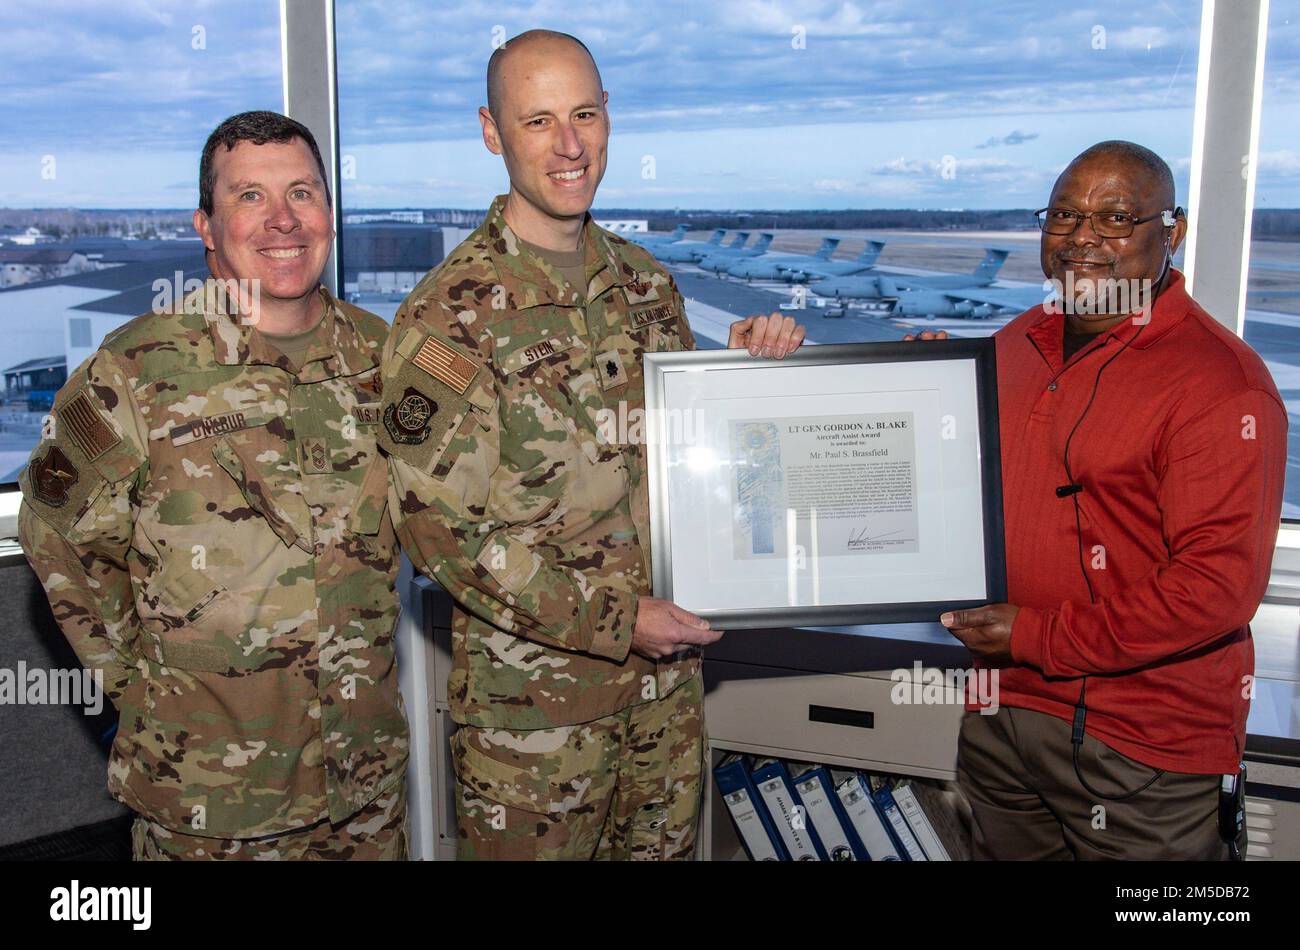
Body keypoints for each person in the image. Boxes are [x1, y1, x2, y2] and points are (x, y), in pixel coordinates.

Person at [377, 29, 803, 860]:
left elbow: (691, 459)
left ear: (609, 117)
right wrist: (616, 619)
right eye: (537, 122)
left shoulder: (648, 286)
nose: (569, 146)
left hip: (666, 698)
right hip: (535, 729)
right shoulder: (447, 319)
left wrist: (754, 377)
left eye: (584, 115)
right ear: (492, 133)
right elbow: (439, 533)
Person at [18, 111, 408, 860]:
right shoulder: (137, 371)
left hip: (364, 789)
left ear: (329, 210)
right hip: (210, 802)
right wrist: (146, 688)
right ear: (206, 224)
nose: (283, 220)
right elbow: (56, 535)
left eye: (302, 192)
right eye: (250, 197)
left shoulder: (381, 356)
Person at [915, 141, 1285, 859]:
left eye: (1116, 217)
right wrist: (920, 397)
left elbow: (1216, 591)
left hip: (1141, 751)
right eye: (1064, 214)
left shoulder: (1220, 384)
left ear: (1170, 233)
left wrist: (1034, 637)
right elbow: (970, 486)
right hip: (1001, 716)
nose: (1083, 238)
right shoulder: (1016, 343)